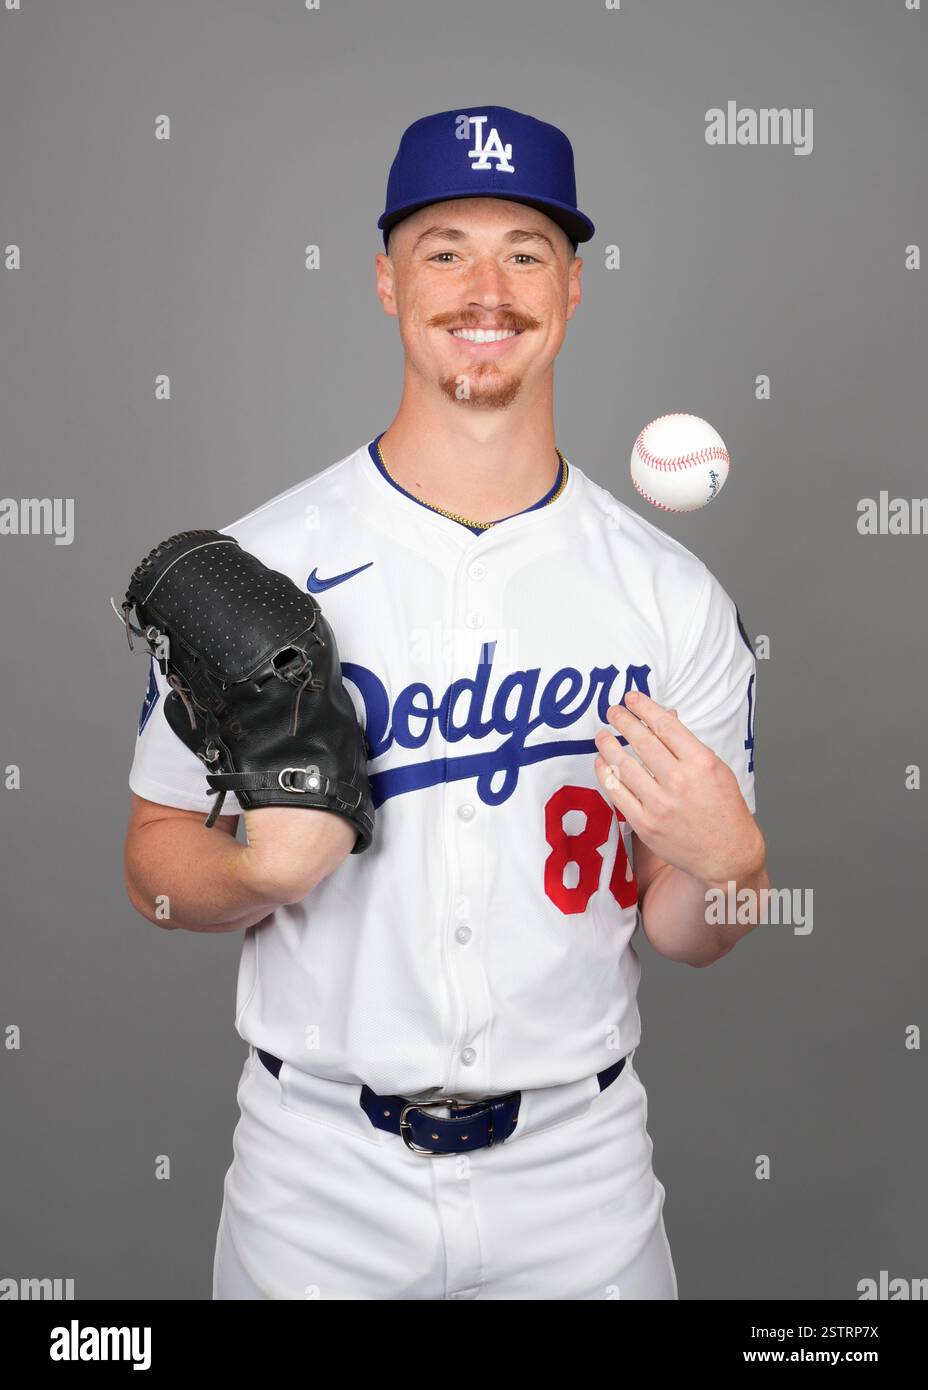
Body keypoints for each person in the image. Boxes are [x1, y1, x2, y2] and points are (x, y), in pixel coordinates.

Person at [124, 105, 768, 1301]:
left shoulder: (671, 597)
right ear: (385, 282)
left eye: (525, 251)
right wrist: (259, 873)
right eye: (444, 250)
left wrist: (731, 864)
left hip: (579, 1180)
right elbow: (153, 861)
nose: (487, 287)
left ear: (572, 287)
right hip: (313, 1178)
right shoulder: (257, 568)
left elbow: (694, 929)